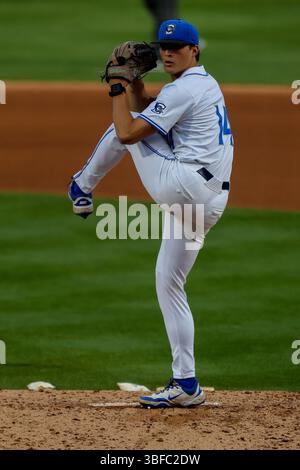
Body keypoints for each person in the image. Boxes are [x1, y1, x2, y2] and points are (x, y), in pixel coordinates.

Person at [68, 19, 234, 408]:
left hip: (184, 188)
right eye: (164, 46)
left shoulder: (185, 88)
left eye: (177, 47)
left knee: (120, 133)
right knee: (169, 282)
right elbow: (151, 114)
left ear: (195, 51)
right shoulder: (203, 85)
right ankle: (187, 384)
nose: (168, 52)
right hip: (207, 204)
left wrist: (117, 86)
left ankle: (81, 185)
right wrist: (136, 87)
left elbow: (128, 131)